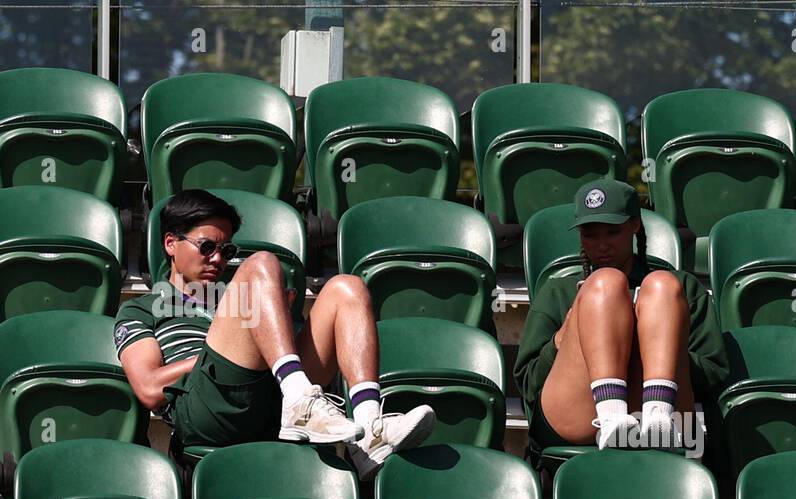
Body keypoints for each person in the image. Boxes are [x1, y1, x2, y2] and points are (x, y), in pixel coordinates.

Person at [114, 190, 435, 478]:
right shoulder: (143, 308)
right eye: (207, 246)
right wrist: (217, 351)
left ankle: (369, 432)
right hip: (205, 411)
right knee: (262, 264)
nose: (218, 259)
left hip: (270, 399)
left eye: (226, 250)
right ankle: (299, 399)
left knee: (347, 288)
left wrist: (273, 330)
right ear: (171, 243)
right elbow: (150, 388)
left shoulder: (240, 296)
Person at [514, 179, 727, 451]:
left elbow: (713, 373)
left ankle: (657, 415)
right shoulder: (558, 290)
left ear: (634, 226)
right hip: (579, 418)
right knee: (606, 283)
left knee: (661, 285)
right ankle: (612, 418)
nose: (601, 245)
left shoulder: (679, 288)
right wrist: (563, 339)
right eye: (590, 234)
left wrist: (652, 347)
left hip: (668, 417)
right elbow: (528, 383)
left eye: (612, 232)